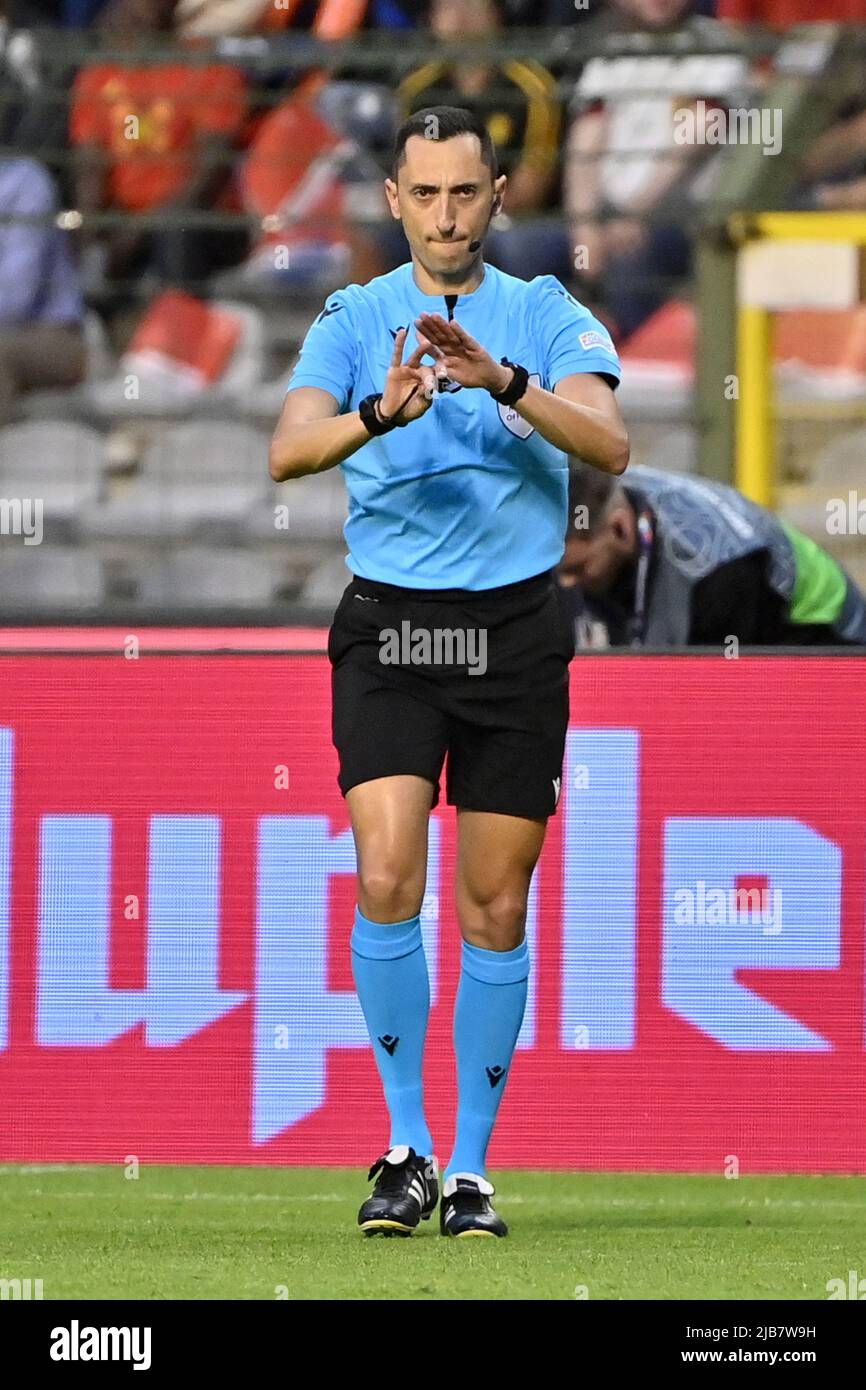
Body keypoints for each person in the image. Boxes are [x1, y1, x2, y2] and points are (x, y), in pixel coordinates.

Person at [269, 105, 627, 1238]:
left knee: (494, 902)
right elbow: (289, 448)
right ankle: (404, 1146)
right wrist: (384, 411)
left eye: (462, 192)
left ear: (498, 194)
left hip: (513, 635)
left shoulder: (543, 312)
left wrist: (504, 382)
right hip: (390, 628)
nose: (443, 214)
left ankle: (469, 1168)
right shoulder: (353, 313)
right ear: (393, 200)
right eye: (422, 193)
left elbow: (611, 445)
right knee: (384, 876)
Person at [557, 463, 866, 647]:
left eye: (579, 568)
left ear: (621, 528)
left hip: (826, 639)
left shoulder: (718, 571)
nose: (567, 583)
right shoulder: (611, 492)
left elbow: (713, 701)